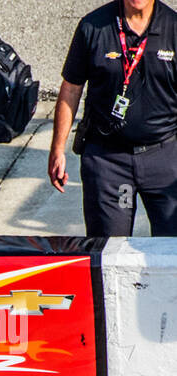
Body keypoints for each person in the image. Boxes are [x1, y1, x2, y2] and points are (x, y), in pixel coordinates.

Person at [49, 0, 177, 236]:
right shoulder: (93, 26)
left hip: (165, 158)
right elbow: (71, 88)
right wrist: (58, 148)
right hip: (108, 162)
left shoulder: (173, 28)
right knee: (109, 252)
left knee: (172, 252)